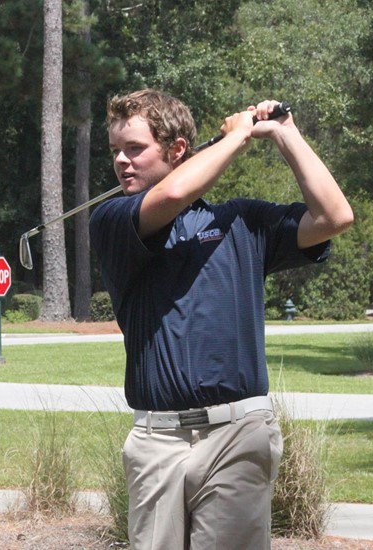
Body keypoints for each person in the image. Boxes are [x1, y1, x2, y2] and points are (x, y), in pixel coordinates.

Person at [89, 88, 353, 550]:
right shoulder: (112, 219)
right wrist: (236, 137)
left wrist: (285, 134)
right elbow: (174, 190)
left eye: (135, 149)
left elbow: (334, 215)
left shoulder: (243, 222)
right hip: (157, 441)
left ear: (176, 150)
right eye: (116, 151)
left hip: (237, 433)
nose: (122, 162)